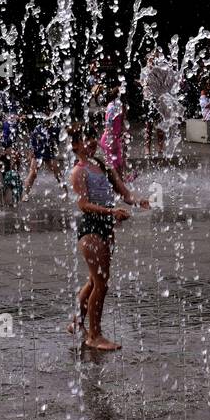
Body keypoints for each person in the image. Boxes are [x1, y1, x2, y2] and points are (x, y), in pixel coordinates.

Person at [66, 124, 149, 351]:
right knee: (101, 284)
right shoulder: (79, 171)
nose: (92, 142)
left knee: (95, 280)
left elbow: (124, 192)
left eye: (93, 137)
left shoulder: (102, 165)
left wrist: (137, 200)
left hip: (106, 228)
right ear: (75, 146)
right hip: (90, 229)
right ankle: (94, 335)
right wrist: (111, 212)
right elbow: (83, 205)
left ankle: (77, 321)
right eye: (86, 139)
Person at [23, 114, 62, 199]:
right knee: (32, 174)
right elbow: (32, 142)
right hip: (38, 154)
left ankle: (65, 192)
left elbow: (58, 140)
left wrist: (55, 147)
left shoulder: (55, 128)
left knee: (57, 173)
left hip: (49, 153)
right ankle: (25, 194)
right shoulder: (38, 128)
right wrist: (31, 152)